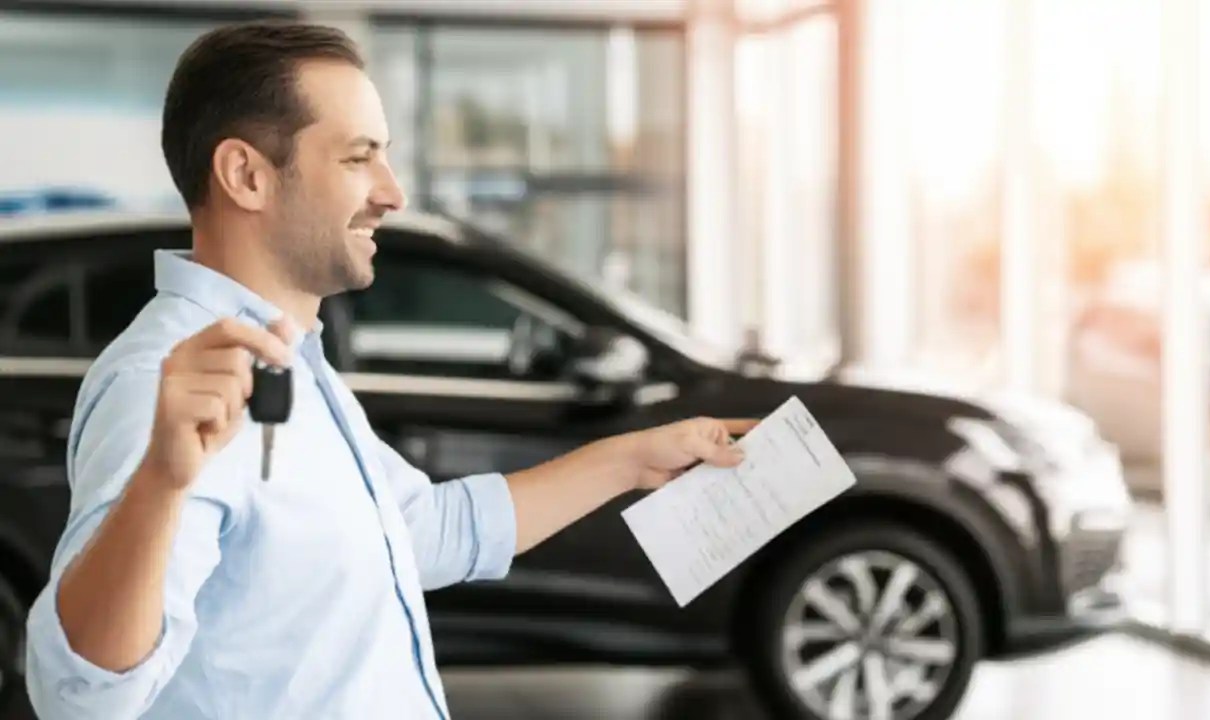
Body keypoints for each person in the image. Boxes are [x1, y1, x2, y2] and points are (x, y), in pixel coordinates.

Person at [23, 20, 754, 720]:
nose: (392, 192)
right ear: (246, 174)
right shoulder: (167, 382)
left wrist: (633, 458)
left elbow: (418, 529)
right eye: (357, 156)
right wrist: (160, 481)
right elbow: (82, 696)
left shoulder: (290, 357)